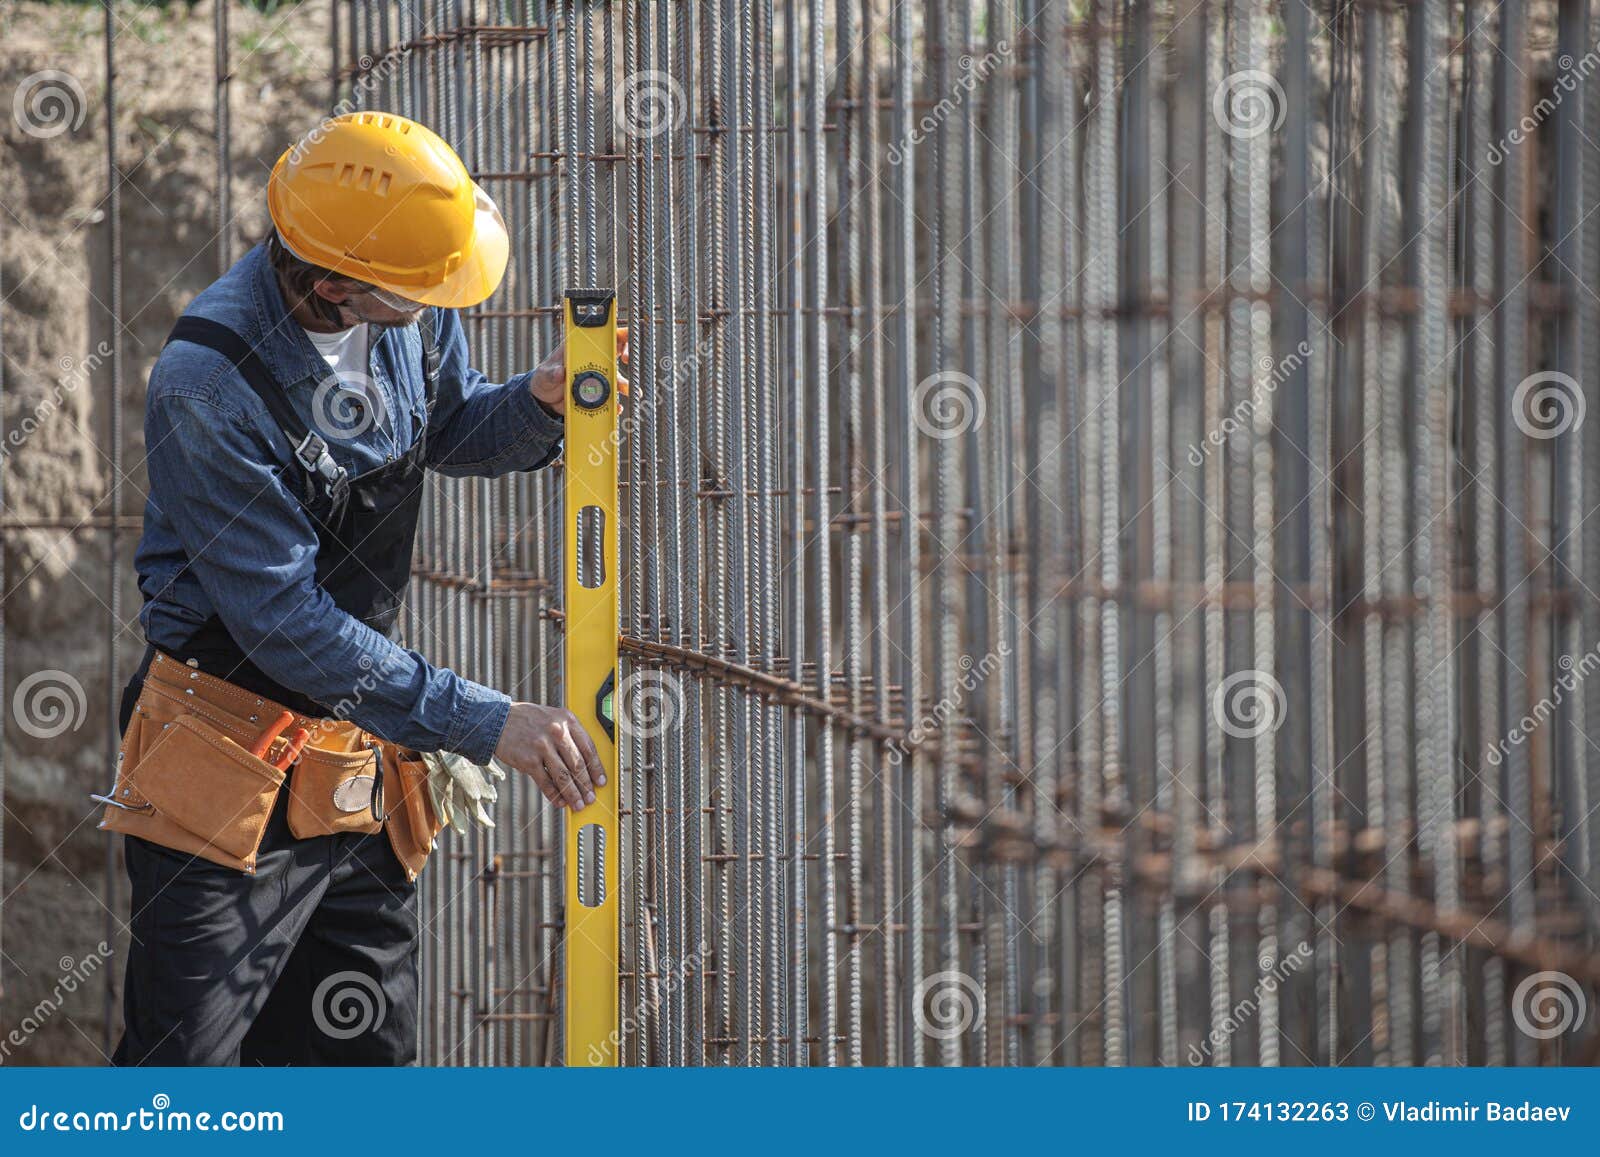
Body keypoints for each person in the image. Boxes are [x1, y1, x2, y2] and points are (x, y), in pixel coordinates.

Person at [100, 111, 622, 1065]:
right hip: (226, 760)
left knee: (362, 1050)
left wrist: (536, 404)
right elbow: (285, 624)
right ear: (333, 281)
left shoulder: (401, 307)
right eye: (415, 292)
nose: (436, 304)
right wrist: (487, 719)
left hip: (355, 759)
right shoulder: (208, 386)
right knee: (190, 1064)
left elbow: (449, 426)